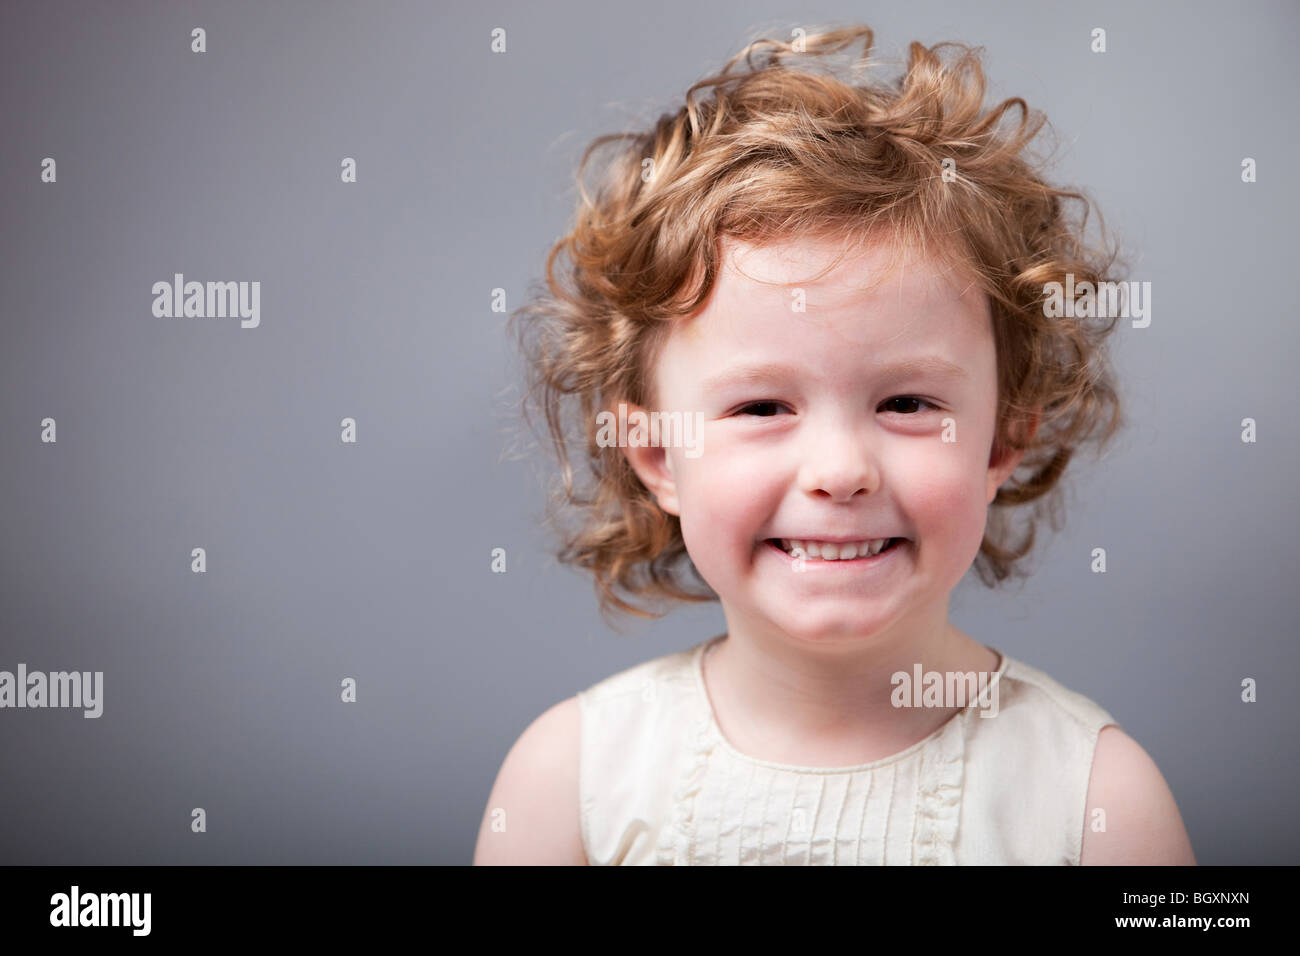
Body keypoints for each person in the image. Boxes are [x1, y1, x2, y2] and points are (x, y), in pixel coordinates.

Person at [476, 24, 1195, 865]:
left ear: (1000, 444)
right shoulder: (571, 782)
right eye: (761, 407)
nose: (841, 472)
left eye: (906, 403)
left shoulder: (1094, 799)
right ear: (659, 455)